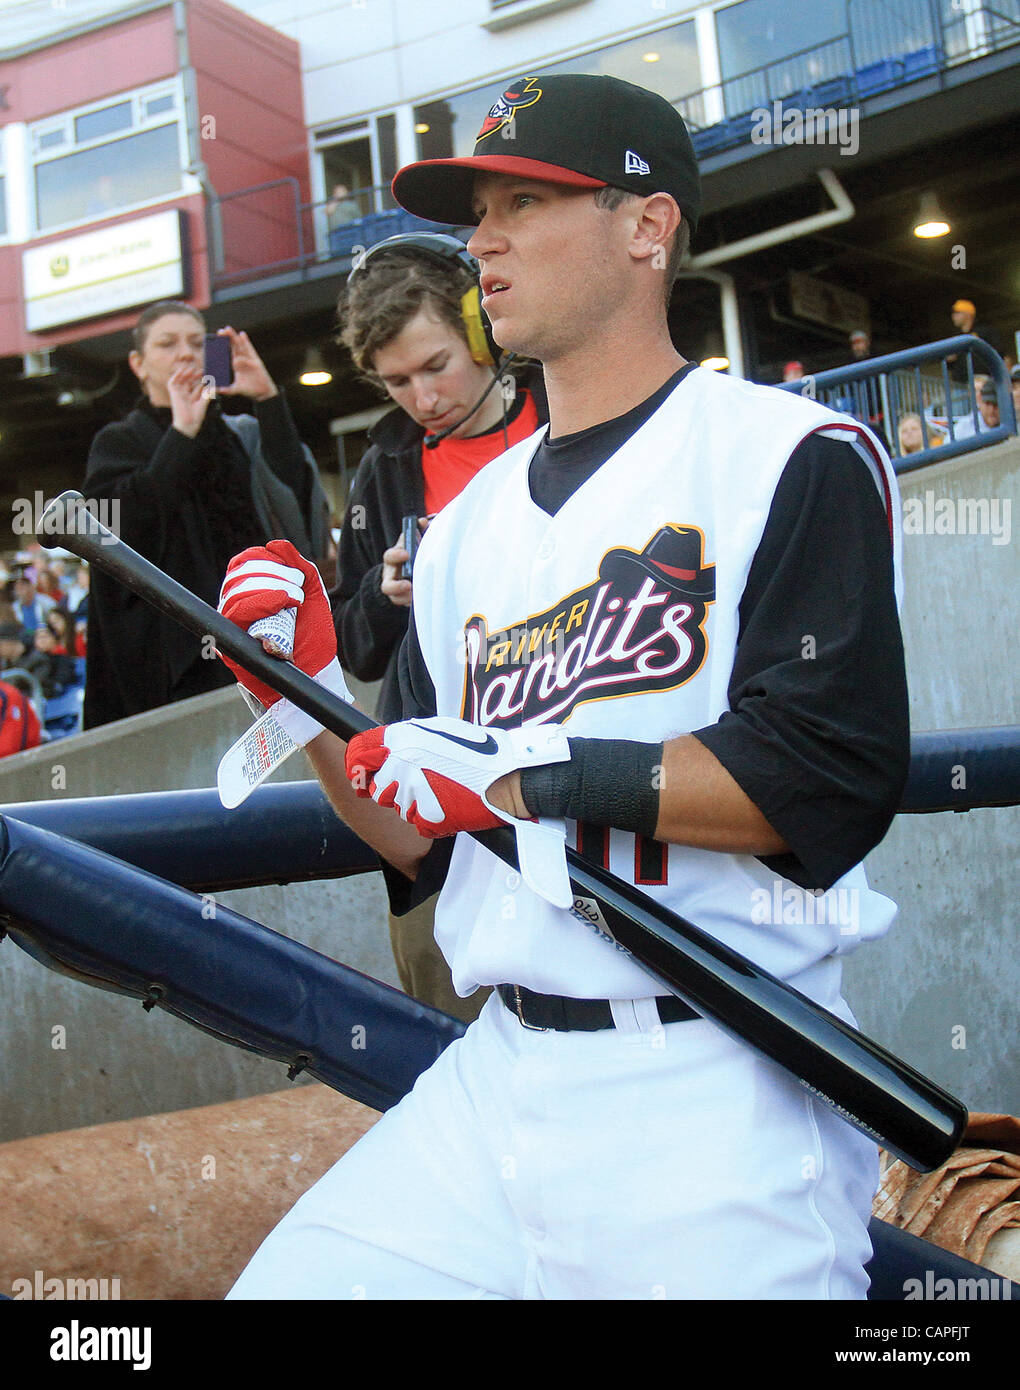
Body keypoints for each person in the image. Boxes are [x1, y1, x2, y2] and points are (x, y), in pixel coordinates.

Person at [218, 73, 909, 1300]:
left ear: (647, 227)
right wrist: (298, 684)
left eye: (524, 202)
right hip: (500, 1077)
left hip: (715, 1079)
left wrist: (519, 775)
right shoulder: (461, 529)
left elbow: (819, 778)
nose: (480, 239)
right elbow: (419, 839)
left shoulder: (787, 456)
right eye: (475, 211)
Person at [332, 233, 547, 1022]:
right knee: (450, 1046)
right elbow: (355, 648)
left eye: (435, 366)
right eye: (397, 381)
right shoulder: (384, 470)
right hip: (440, 813)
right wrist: (386, 597)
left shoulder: (571, 409)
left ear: (481, 329)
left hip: (576, 776)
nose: (422, 397)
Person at [82, 300, 331, 729]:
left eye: (198, 343)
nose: (185, 353)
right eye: (167, 344)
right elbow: (123, 532)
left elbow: (294, 494)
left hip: (260, 636)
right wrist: (182, 433)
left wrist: (268, 399)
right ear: (139, 365)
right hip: (175, 660)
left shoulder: (238, 433)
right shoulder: (120, 441)